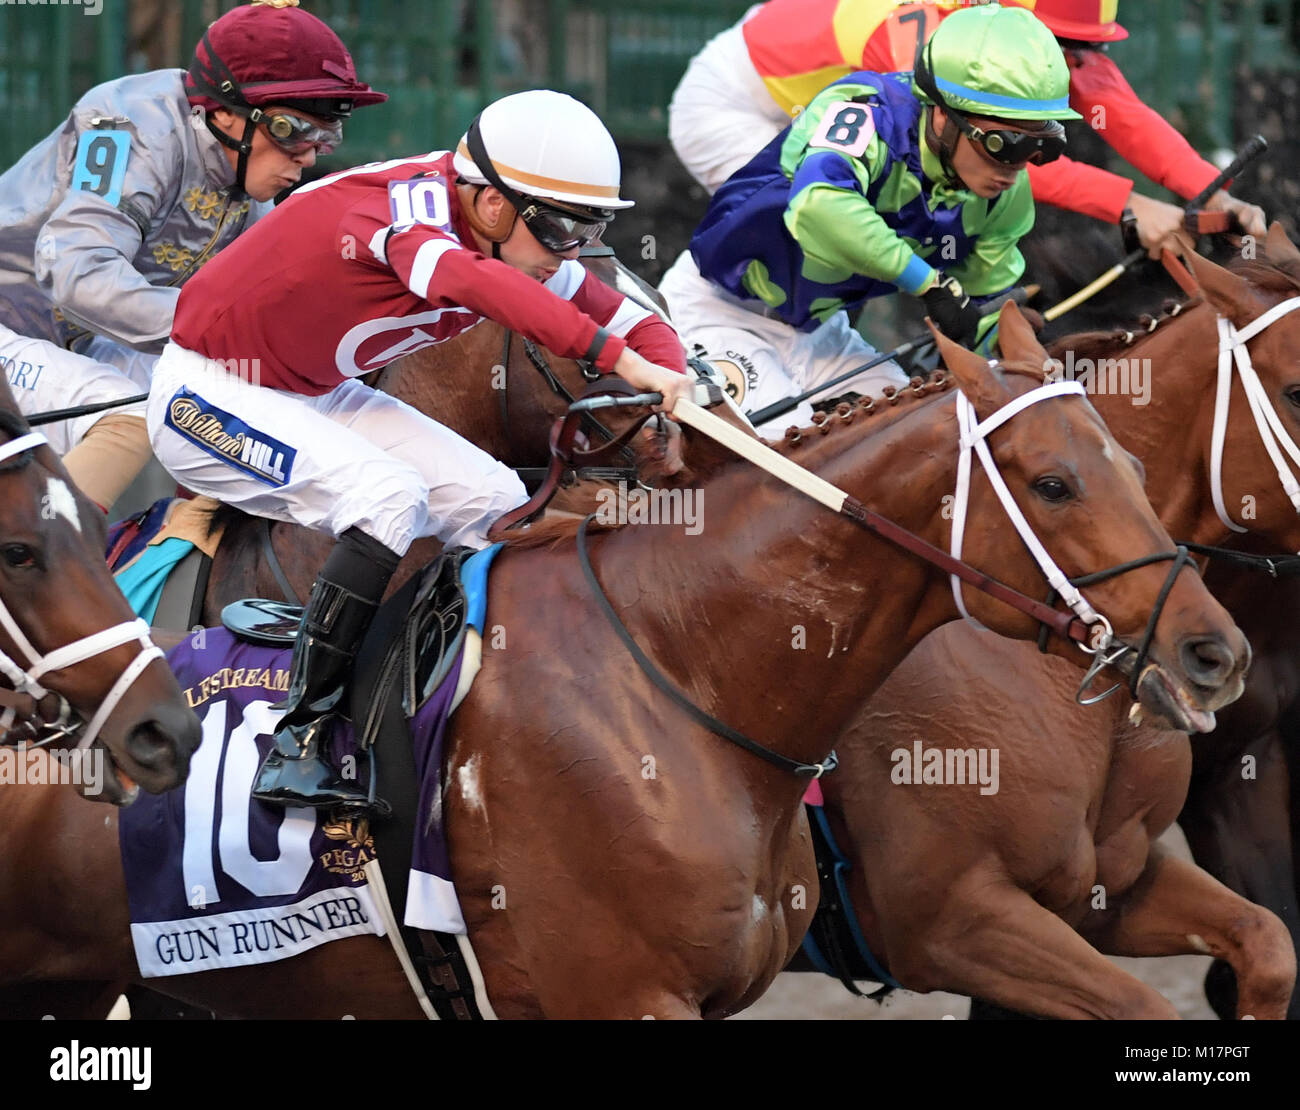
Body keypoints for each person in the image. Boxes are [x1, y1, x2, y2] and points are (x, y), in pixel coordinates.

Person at [145, 89, 694, 812]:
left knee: (499, 505)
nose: (570, 251)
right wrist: (619, 360)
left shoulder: (510, 234)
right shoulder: (409, 219)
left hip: (316, 393)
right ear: (493, 205)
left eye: (583, 231)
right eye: (561, 229)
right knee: (388, 496)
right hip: (206, 396)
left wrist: (674, 374)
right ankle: (299, 741)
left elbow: (625, 311)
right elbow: (482, 287)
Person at [0, 0, 384, 509]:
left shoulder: (247, 174)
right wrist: (215, 329)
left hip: (78, 343)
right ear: (224, 111)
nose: (309, 155)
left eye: (326, 135)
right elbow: (77, 272)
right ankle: (39, 580)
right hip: (13, 324)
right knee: (127, 418)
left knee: (241, 392)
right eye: (294, 130)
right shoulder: (123, 127)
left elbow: (266, 304)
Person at [660, 2, 1074, 431]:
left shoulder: (1002, 195)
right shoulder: (866, 109)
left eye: (1041, 147)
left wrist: (1030, 361)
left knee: (929, 439)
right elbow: (820, 206)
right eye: (1003, 143)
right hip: (718, 310)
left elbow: (987, 303)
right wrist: (926, 282)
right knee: (793, 466)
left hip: (822, 336)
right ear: (941, 112)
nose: (1016, 168)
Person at [669, 0, 1266, 254]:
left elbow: (1123, 113)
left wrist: (1216, 192)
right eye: (1063, 45)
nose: (1073, 58)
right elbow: (985, 153)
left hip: (812, 79)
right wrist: (1130, 204)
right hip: (740, 105)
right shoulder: (928, 35)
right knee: (837, 227)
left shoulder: (1011, 26)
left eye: (1079, 46)